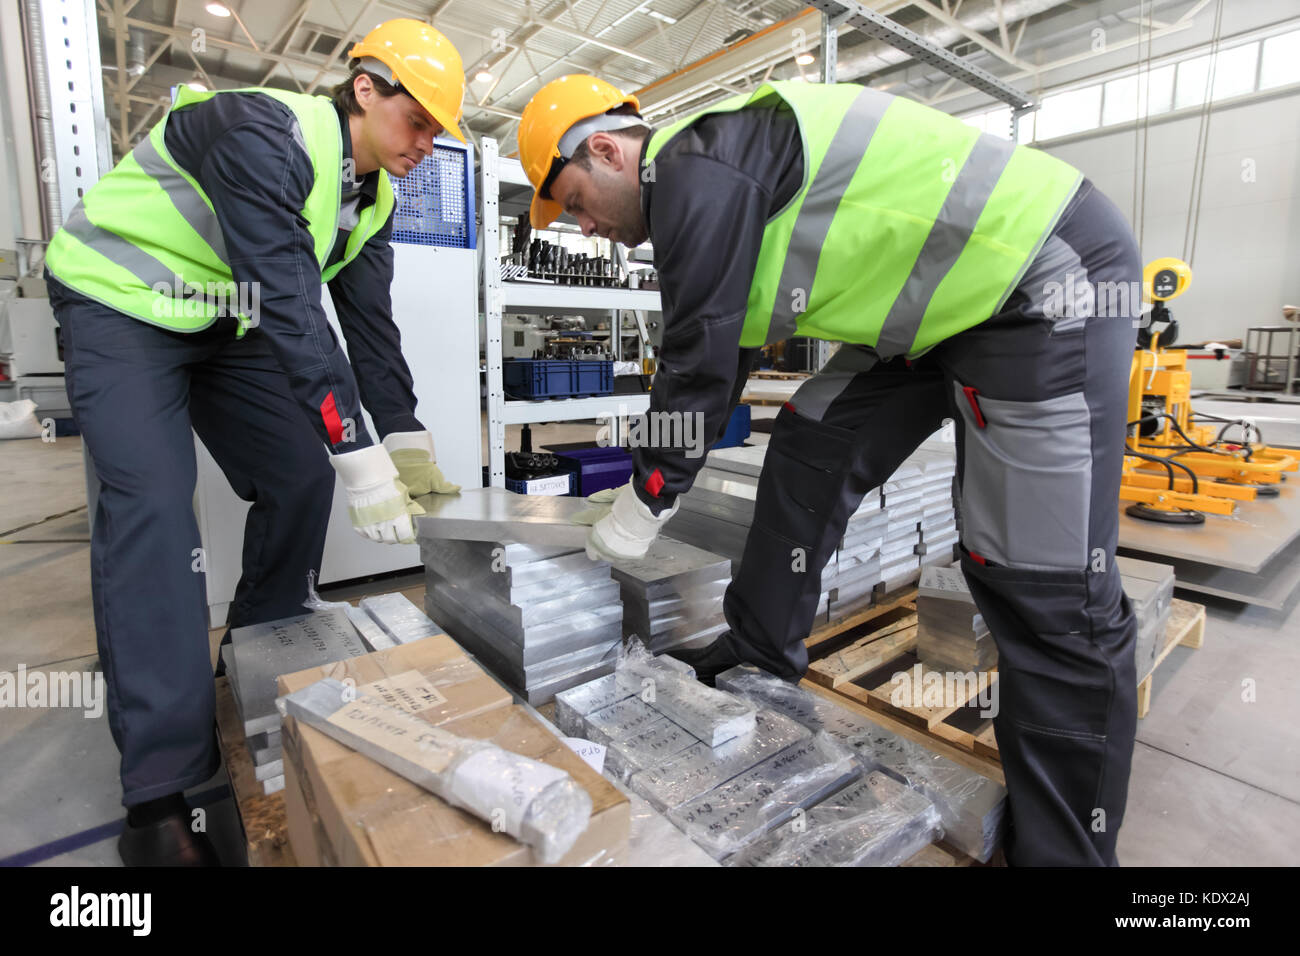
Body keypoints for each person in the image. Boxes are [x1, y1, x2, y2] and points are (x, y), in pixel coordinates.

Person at [518, 74, 1141, 866]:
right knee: (811, 442)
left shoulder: (695, 170)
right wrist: (657, 475)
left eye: (573, 202)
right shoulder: (713, 182)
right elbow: (720, 358)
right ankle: (759, 655)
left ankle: (1066, 854)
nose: (587, 228)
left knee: (1043, 584)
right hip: (931, 315)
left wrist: (647, 496)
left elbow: (696, 361)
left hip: (1034, 279)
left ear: (604, 150)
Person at [42, 18, 465, 866]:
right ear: (366, 88)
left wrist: (407, 437)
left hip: (218, 318)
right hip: (121, 302)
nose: (426, 144)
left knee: (299, 476)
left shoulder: (370, 198)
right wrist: (355, 443)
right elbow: (288, 296)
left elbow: (369, 333)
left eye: (438, 131)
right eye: (417, 120)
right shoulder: (255, 131)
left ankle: (256, 652)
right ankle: (160, 790)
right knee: (155, 514)